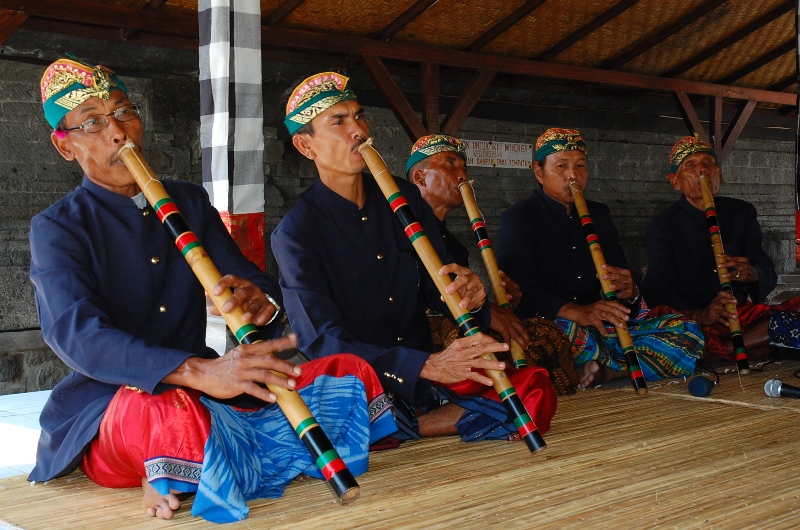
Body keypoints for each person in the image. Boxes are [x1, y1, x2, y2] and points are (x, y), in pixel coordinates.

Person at [29, 58, 396, 524]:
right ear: (65, 147)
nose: (118, 133)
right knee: (160, 406)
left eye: (123, 112)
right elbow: (76, 334)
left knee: (349, 373)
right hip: (114, 406)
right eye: (93, 122)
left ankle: (194, 462)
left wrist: (259, 303)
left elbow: (250, 280)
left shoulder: (187, 201)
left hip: (211, 395)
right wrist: (195, 371)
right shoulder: (56, 227)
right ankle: (193, 456)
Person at [272, 72, 556, 444]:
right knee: (322, 412)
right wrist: (425, 365)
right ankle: (414, 424)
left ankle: (408, 428)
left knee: (534, 388)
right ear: (306, 146)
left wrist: (470, 291)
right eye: (338, 122)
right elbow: (323, 342)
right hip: (364, 385)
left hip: (424, 378)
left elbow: (437, 288)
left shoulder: (403, 197)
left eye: (359, 116)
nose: (358, 130)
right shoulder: (295, 233)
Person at [496, 128, 704, 388]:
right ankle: (612, 363)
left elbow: (621, 274)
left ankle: (607, 371)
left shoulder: (599, 215)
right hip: (561, 324)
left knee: (687, 331)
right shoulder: (519, 217)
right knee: (543, 341)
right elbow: (521, 289)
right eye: (561, 166)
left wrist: (629, 291)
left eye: (581, 166)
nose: (573, 175)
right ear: (539, 173)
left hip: (602, 325)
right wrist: (576, 312)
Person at [406, 133, 580, 395]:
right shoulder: (398, 225)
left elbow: (468, 298)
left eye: (464, 168)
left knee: (544, 332)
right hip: (416, 336)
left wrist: (505, 304)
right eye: (450, 164)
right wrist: (485, 312)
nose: (462, 175)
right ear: (420, 178)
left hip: (462, 322)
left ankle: (527, 389)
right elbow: (430, 295)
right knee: (474, 345)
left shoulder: (455, 246)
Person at [641, 134, 800, 360]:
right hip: (694, 319)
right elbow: (658, 291)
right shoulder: (662, 226)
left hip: (740, 315)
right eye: (691, 166)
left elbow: (766, 270)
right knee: (665, 327)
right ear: (675, 182)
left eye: (708, 163)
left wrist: (751, 273)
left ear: (720, 176)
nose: (702, 171)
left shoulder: (742, 213)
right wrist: (702, 314)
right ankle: (756, 347)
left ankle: (729, 349)